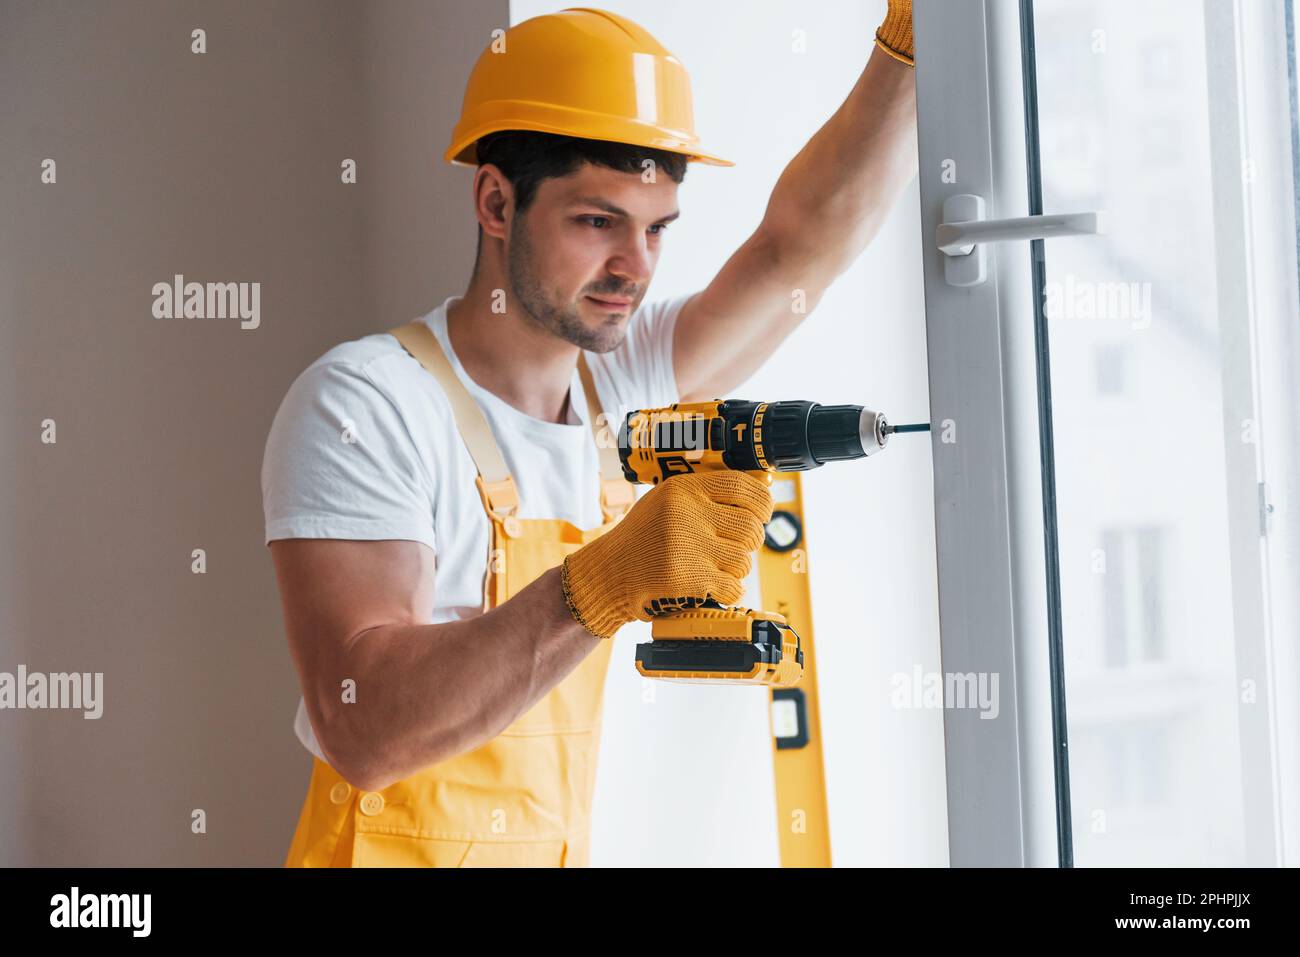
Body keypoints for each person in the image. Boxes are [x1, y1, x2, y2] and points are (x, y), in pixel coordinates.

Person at [262, 3, 916, 867]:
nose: (636, 269)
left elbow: (797, 252)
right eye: (598, 221)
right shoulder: (369, 403)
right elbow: (365, 725)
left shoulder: (621, 391)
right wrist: (608, 580)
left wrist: (907, 49)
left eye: (656, 229)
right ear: (497, 201)